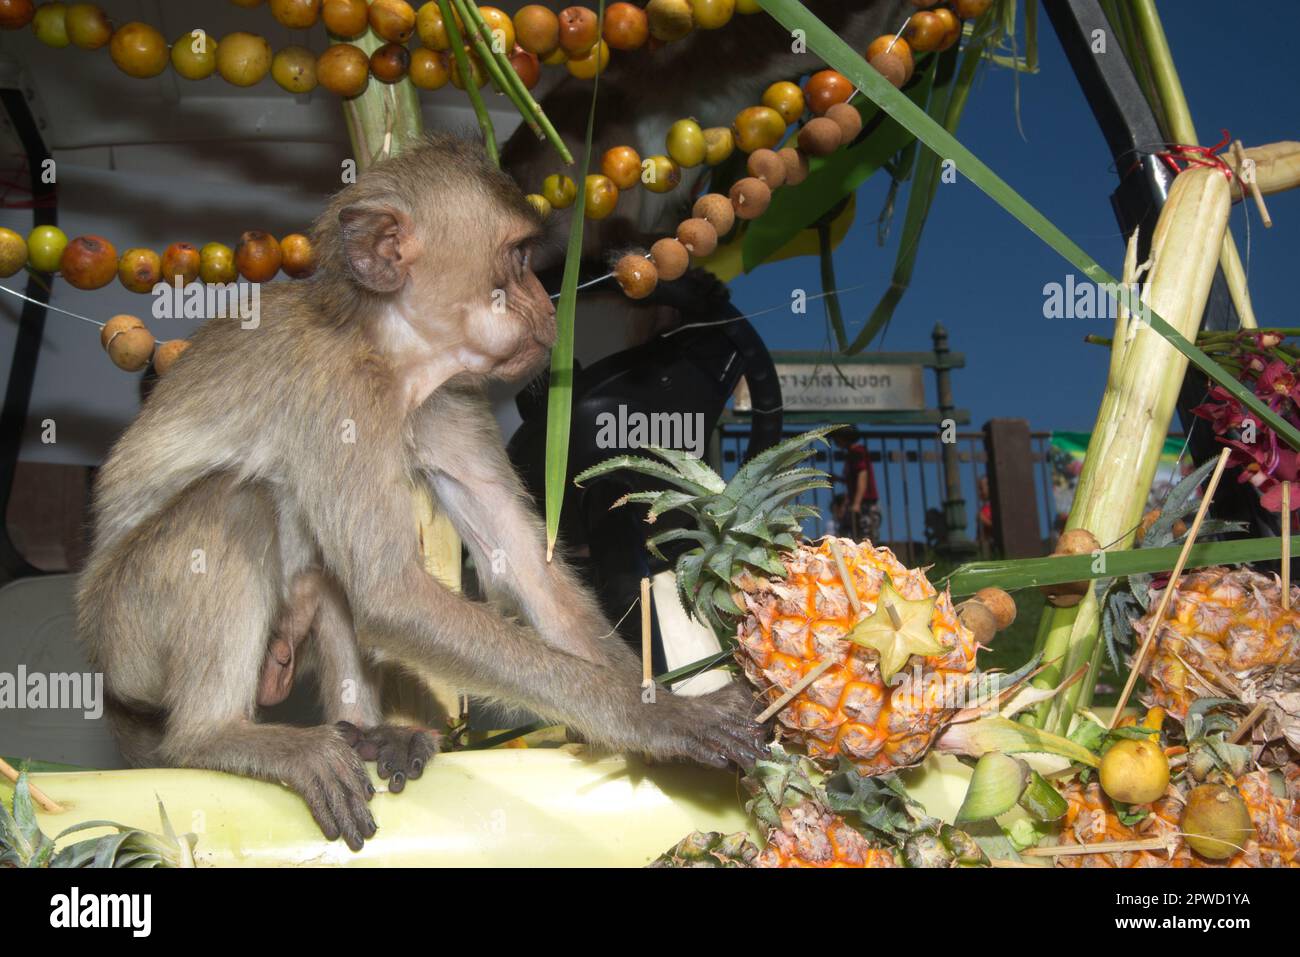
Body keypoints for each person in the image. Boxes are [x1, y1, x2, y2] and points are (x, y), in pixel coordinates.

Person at [832, 428, 881, 543]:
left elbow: (862, 475)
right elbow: (853, 480)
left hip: (865, 503)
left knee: (865, 539)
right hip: (859, 503)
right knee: (855, 537)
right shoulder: (852, 454)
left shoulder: (857, 452)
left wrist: (857, 503)